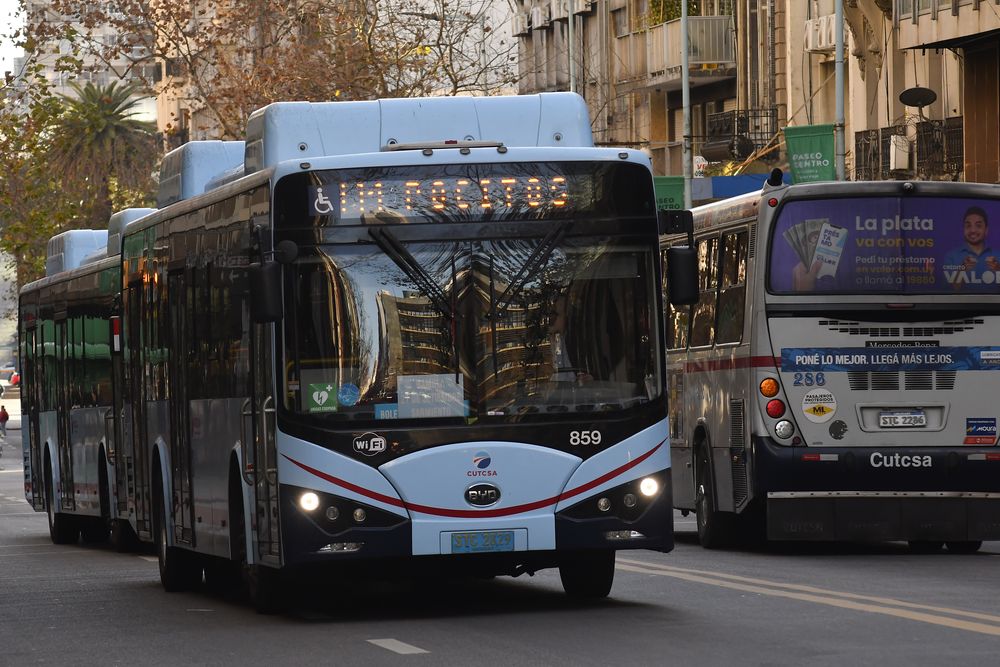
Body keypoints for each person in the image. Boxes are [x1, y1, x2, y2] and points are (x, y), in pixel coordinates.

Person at [943, 206, 1000, 288]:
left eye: (978, 226)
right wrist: (962, 270)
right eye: (968, 226)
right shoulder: (951, 257)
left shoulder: (999, 255)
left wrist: (999, 270)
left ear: (986, 230)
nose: (973, 230)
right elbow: (947, 292)